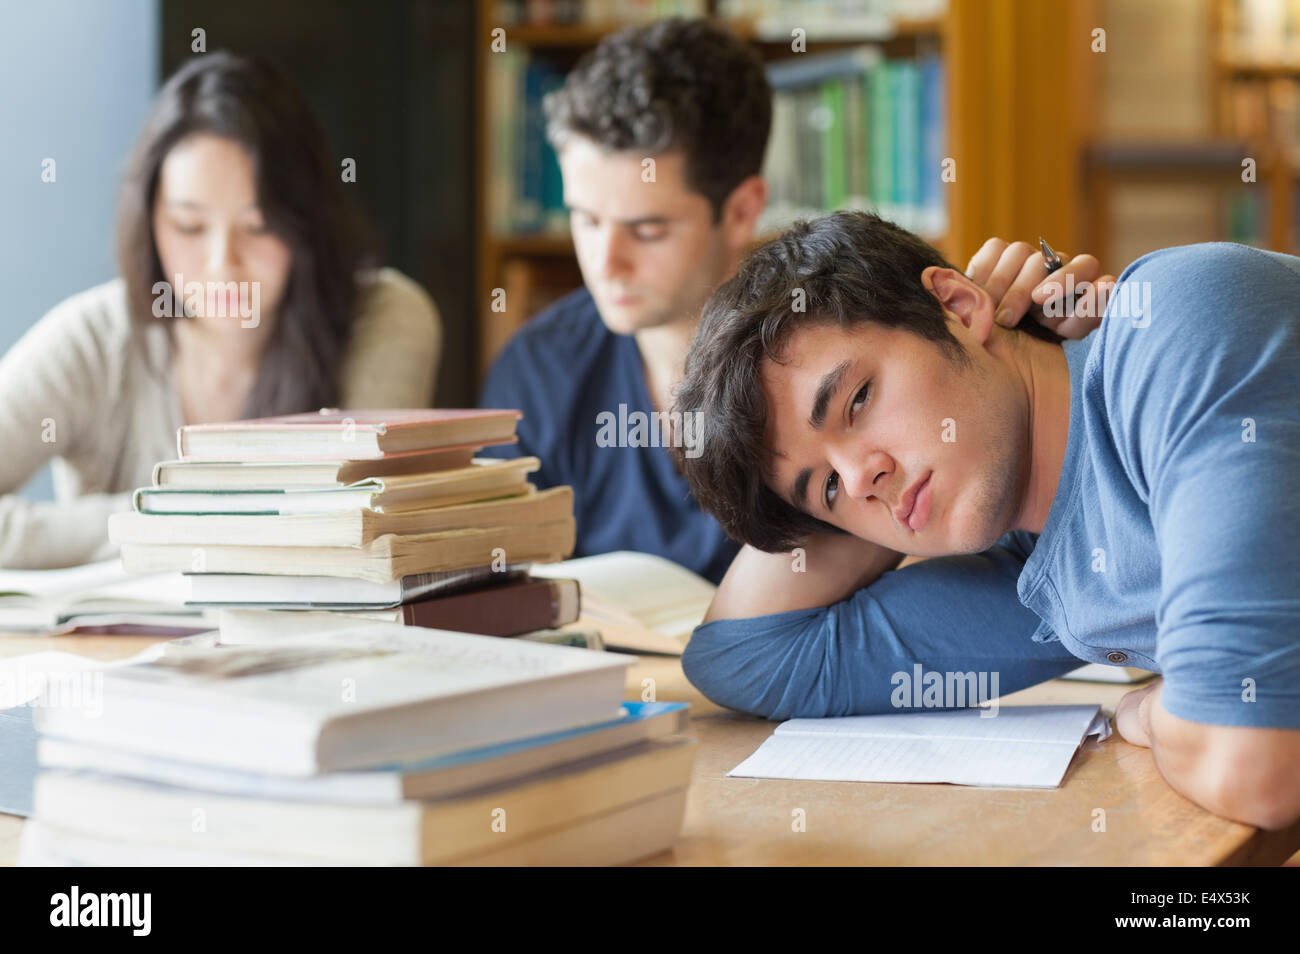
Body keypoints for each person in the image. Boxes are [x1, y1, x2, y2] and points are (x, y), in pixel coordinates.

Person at [672, 210, 1300, 830]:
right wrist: (870, 508)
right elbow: (742, 656)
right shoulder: (1038, 577)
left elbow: (1259, 765)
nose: (861, 478)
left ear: (959, 306)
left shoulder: (1174, 319)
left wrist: (1149, 715)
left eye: (857, 400)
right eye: (829, 486)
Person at [478, 17, 1110, 584]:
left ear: (743, 209)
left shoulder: (875, 328)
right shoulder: (538, 371)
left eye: (647, 229)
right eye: (584, 220)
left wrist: (1034, 362)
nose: (604, 262)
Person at [0, 52, 443, 569]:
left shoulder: (385, 316)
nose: (221, 265)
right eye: (189, 227)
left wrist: (161, 524)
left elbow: (363, 518)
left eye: (258, 227)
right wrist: (159, 516)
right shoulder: (92, 340)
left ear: (307, 224)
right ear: (149, 223)